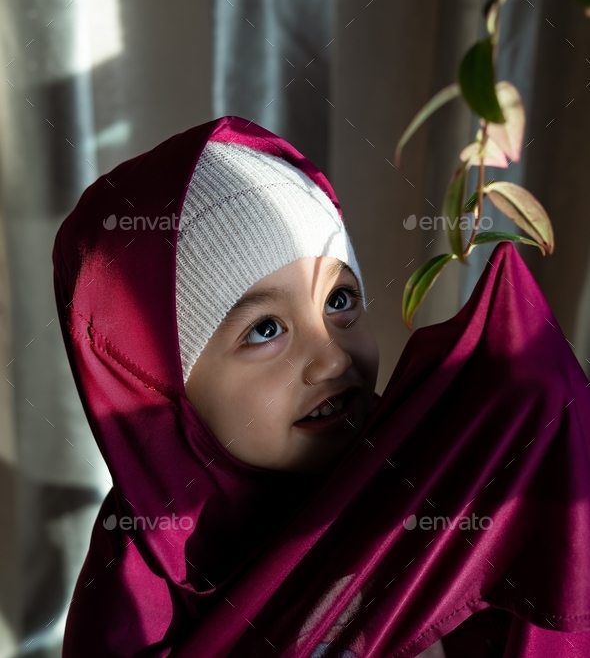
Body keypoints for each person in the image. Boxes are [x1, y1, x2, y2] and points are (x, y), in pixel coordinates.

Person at [53, 115, 590, 657]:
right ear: (165, 391)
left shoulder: (422, 473)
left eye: (340, 302)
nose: (331, 359)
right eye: (266, 330)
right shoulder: (141, 567)